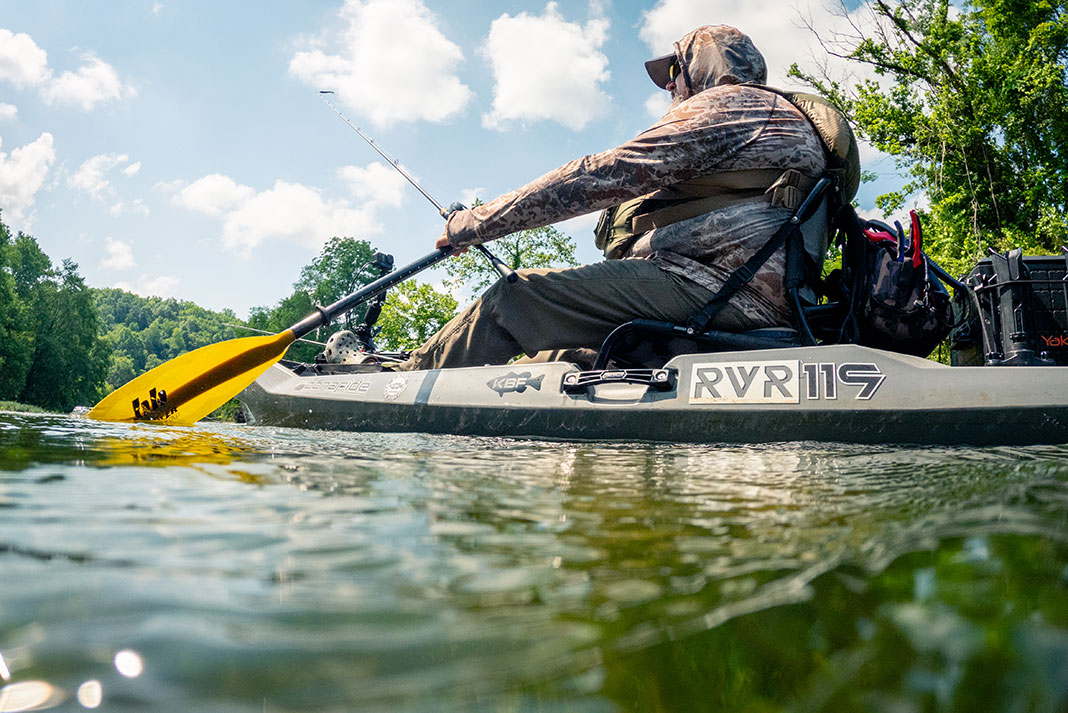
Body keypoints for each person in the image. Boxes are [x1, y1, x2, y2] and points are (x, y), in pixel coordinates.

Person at [395, 24, 834, 372]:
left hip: (714, 290)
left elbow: (598, 176)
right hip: (740, 294)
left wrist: (473, 223)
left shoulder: (732, 106)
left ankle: (402, 388)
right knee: (553, 360)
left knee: (515, 298)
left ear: (702, 66)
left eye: (675, 72)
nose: (669, 87)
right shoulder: (777, 116)